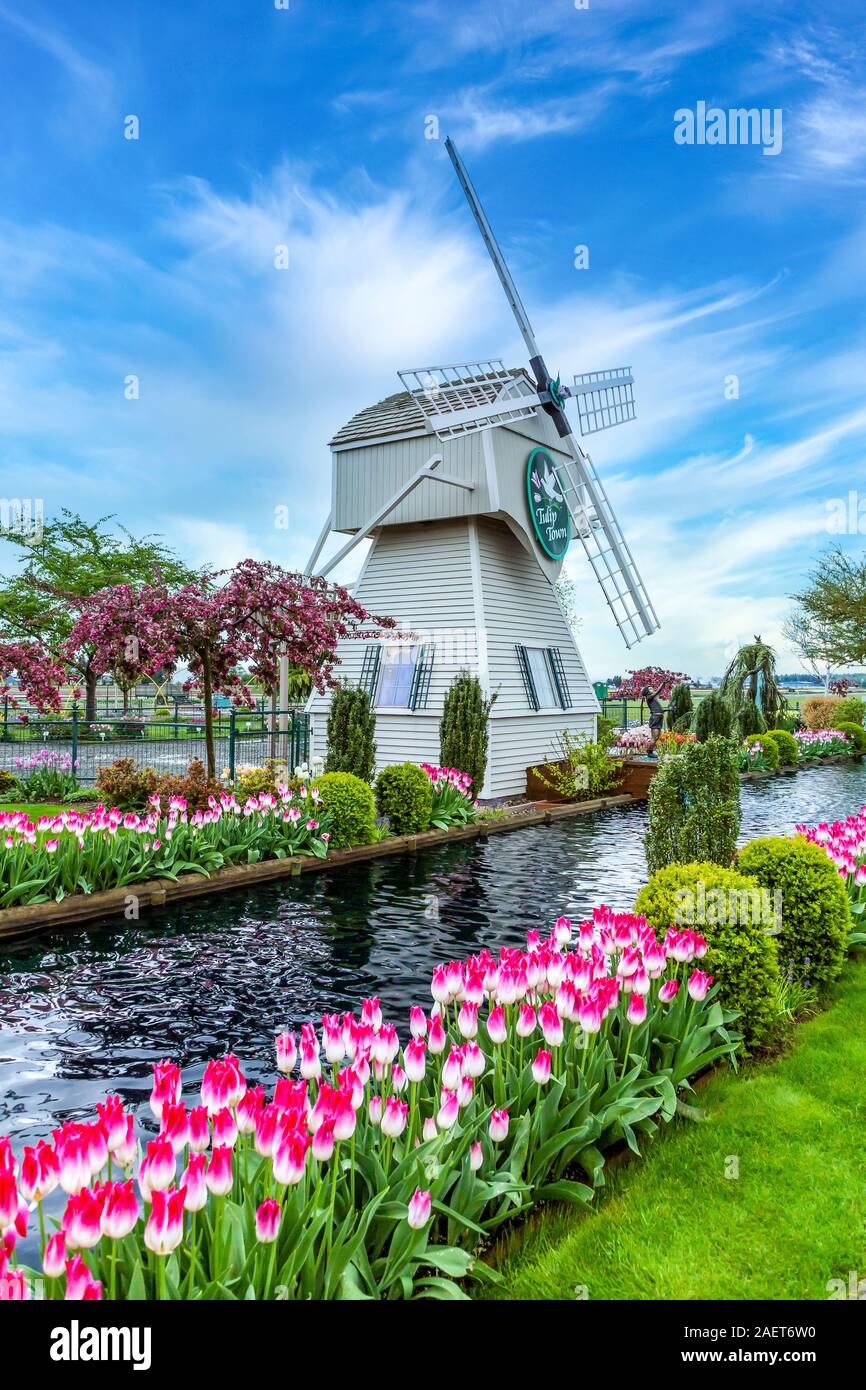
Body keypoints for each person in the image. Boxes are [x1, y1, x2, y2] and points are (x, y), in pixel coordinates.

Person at [641, 682, 667, 754]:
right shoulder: (649, 697)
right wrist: (663, 684)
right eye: (649, 688)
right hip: (655, 718)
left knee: (657, 736)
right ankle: (649, 751)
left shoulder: (653, 698)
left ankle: (651, 750)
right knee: (654, 737)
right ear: (647, 691)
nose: (651, 688)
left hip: (659, 717)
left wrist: (669, 709)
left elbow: (660, 709)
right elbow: (658, 691)